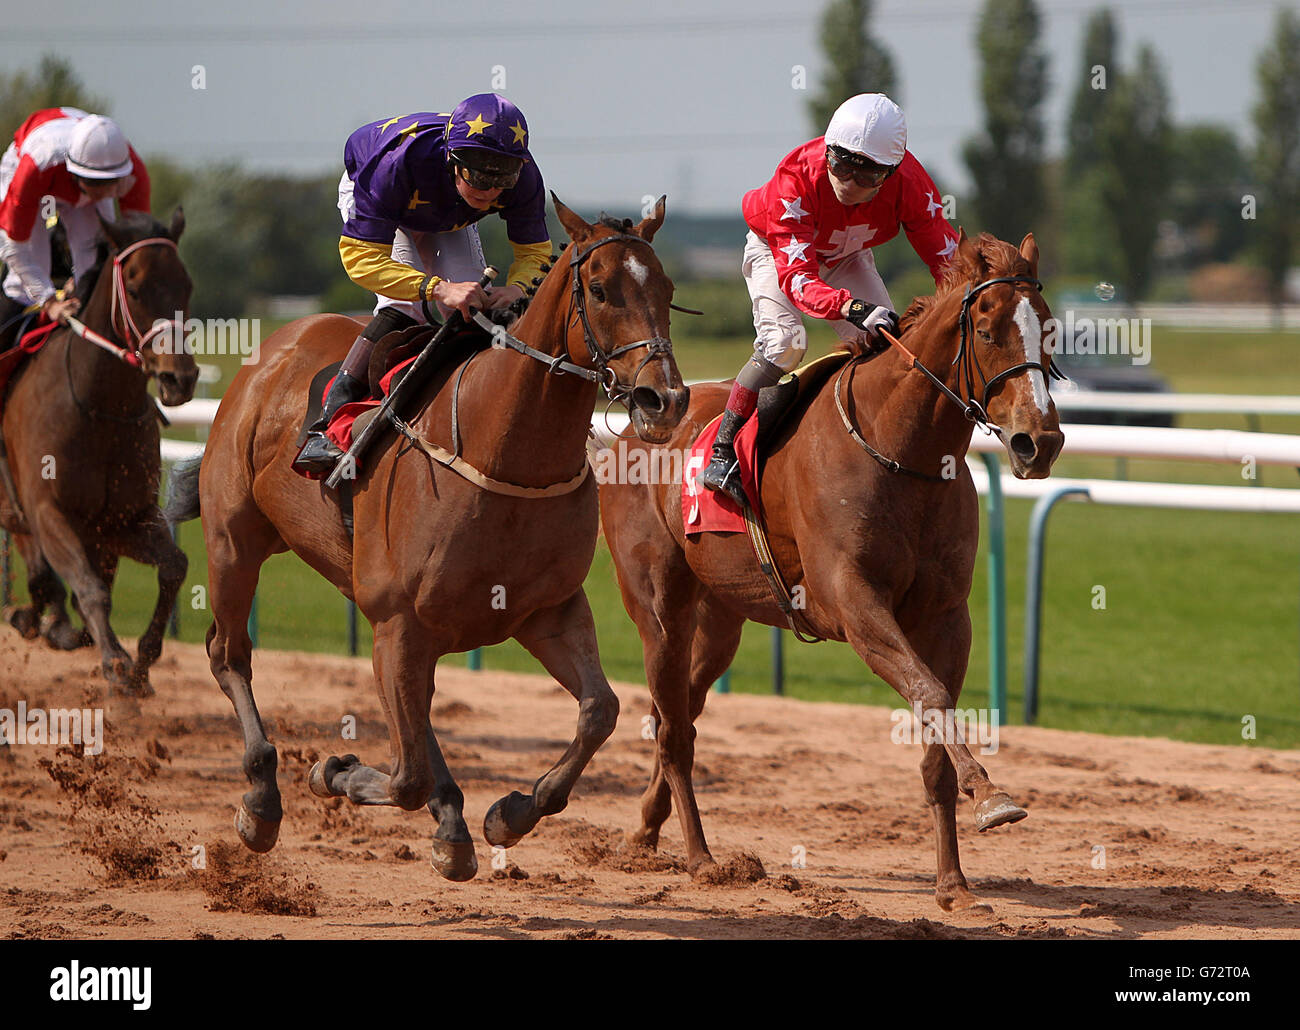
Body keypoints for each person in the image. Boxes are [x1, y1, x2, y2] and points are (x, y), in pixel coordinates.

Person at [697, 93, 960, 506]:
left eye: (867, 175)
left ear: (892, 173)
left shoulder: (912, 184)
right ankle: (723, 450)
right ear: (828, 150)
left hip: (847, 255)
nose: (849, 183)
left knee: (890, 346)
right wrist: (851, 308)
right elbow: (798, 280)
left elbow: (949, 264)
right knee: (786, 344)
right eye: (841, 165)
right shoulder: (794, 180)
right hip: (778, 251)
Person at [294, 92, 552, 476]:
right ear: (452, 159)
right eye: (479, 175)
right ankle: (328, 421)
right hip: (379, 193)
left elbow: (535, 253)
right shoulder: (396, 163)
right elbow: (361, 260)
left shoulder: (524, 176)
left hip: (446, 210)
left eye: (502, 178)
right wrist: (438, 288)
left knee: (475, 306)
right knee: (406, 306)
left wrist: (518, 289)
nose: (488, 190)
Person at [0, 108, 151, 348]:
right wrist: (50, 302)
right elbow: (14, 247)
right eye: (94, 183)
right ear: (76, 173)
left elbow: (138, 250)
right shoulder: (37, 165)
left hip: (69, 171)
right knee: (23, 284)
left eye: (109, 184)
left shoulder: (135, 175)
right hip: (35, 174)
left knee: (92, 270)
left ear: (122, 175)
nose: (102, 193)